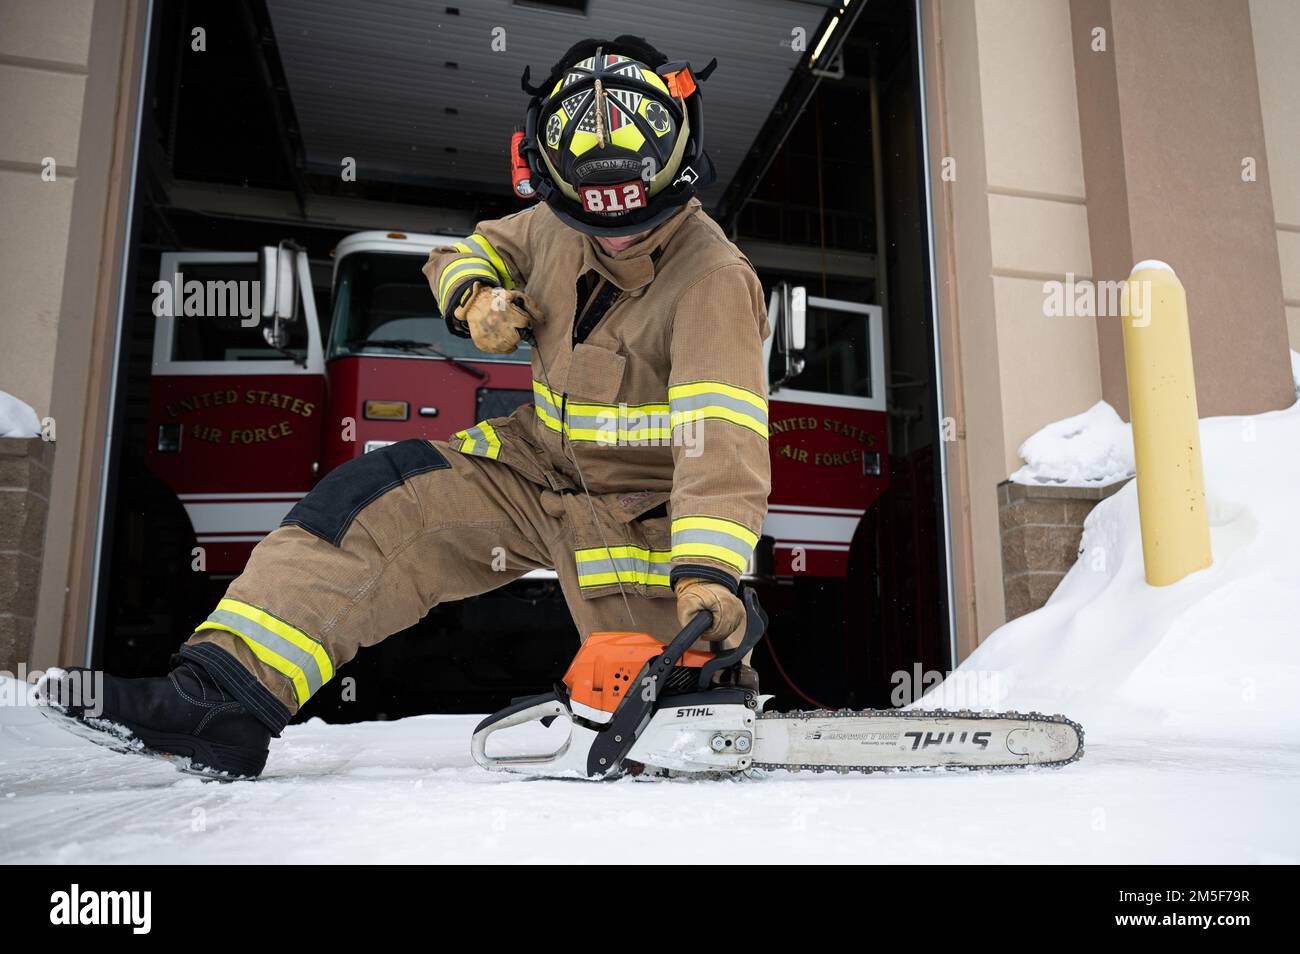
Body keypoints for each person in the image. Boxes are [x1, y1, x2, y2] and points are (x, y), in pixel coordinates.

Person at [39, 35, 771, 779]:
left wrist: (709, 571)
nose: (622, 236)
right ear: (552, 182)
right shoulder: (553, 220)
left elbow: (724, 441)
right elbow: (473, 249)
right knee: (370, 504)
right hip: (530, 471)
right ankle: (222, 699)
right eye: (598, 221)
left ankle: (702, 722)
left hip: (636, 519)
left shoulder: (714, 279)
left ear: (679, 168)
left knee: (678, 721)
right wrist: (473, 296)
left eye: (640, 219)